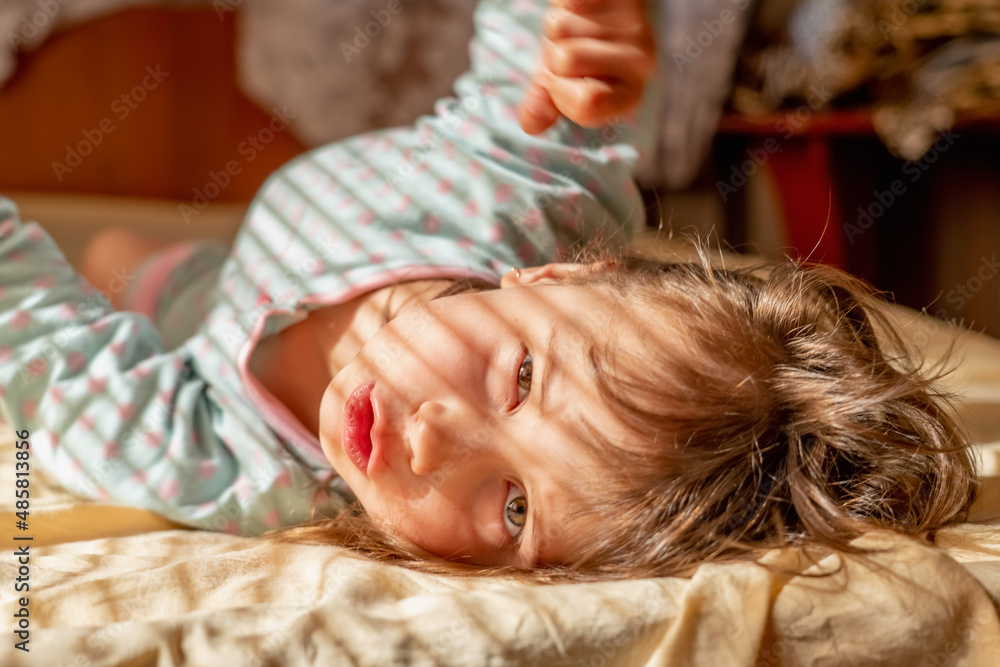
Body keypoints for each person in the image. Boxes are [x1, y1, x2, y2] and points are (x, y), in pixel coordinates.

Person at [0, 0, 976, 581]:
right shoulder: (529, 192)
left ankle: (136, 269)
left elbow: (36, 342)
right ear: (559, 271)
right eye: (517, 379)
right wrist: (586, 36)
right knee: (139, 247)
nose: (429, 446)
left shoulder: (232, 468)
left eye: (512, 511)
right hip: (296, 230)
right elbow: (544, 37)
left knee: (123, 271)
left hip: (195, 330)